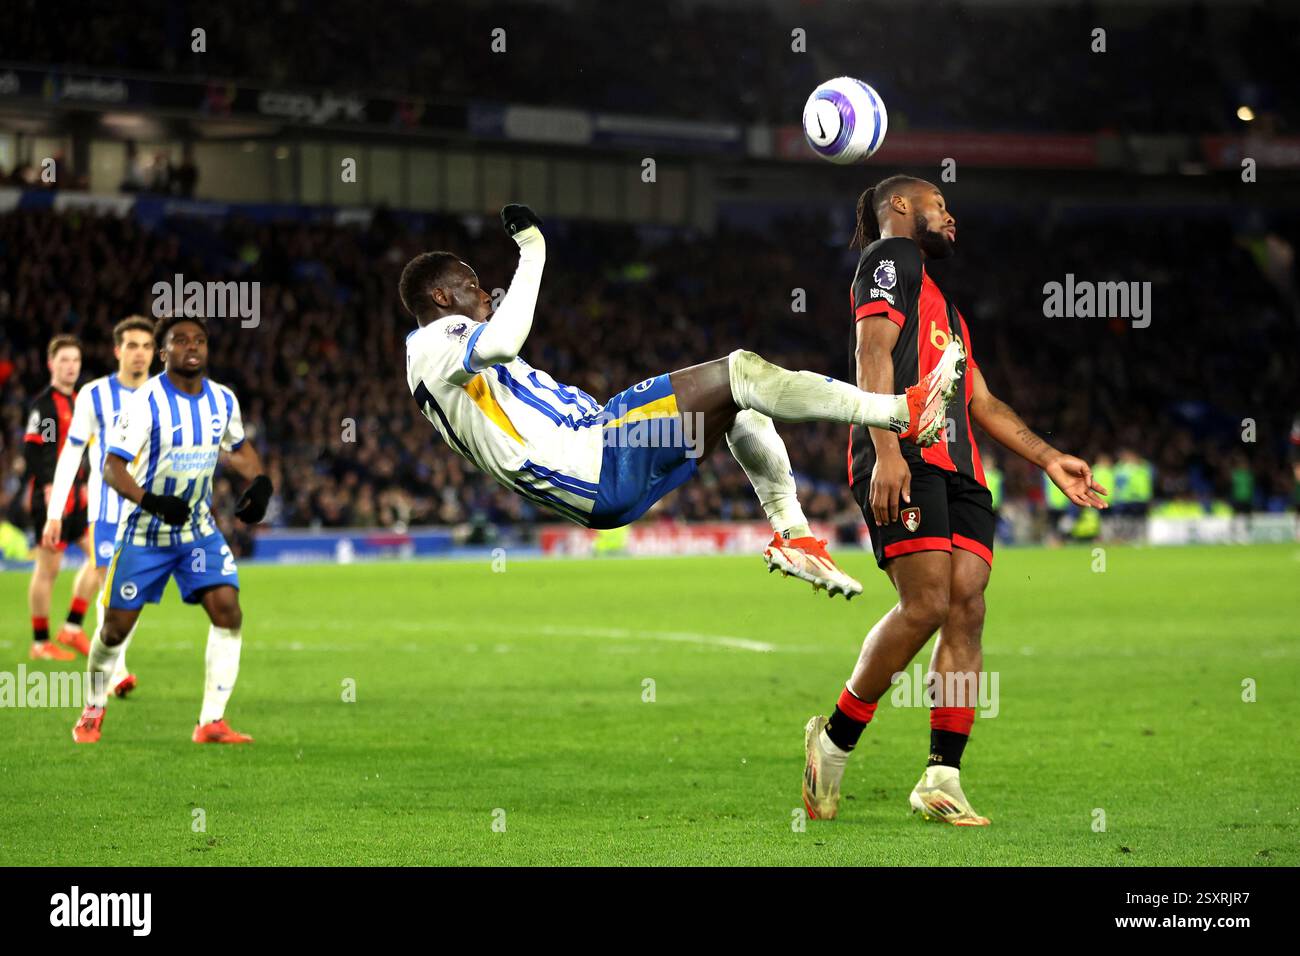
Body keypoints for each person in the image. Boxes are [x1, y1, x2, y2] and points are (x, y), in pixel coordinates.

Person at [401, 203, 967, 600]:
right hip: (595, 456)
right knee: (741, 371)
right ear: (441, 296)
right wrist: (534, 248)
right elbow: (504, 339)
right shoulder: (435, 343)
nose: (483, 293)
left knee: (741, 407)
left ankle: (795, 537)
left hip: (601, 465)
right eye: (472, 285)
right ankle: (900, 411)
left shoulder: (433, 359)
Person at [802, 176, 1108, 825]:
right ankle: (833, 740)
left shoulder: (943, 303)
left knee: (967, 603)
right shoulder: (890, 259)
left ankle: (941, 777)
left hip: (962, 468)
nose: (951, 216)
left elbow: (982, 400)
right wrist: (886, 451)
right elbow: (871, 351)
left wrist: (1050, 458)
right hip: (905, 454)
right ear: (903, 208)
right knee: (929, 602)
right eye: (940, 206)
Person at [71, 315, 273, 744]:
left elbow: (238, 450)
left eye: (199, 339)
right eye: (180, 340)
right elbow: (111, 466)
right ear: (164, 354)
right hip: (144, 534)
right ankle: (92, 707)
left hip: (196, 531)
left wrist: (260, 483)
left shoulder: (222, 400)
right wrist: (152, 501)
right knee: (114, 630)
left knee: (228, 610)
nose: (192, 346)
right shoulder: (146, 400)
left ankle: (211, 722)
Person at [42, 316, 155, 698]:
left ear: (155, 352)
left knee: (131, 591)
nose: (139, 354)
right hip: (107, 509)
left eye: (146, 346)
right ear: (117, 350)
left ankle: (106, 659)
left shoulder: (164, 393)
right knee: (110, 582)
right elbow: (72, 452)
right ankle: (115, 671)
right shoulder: (94, 394)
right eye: (132, 346)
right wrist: (55, 511)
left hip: (149, 510)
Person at [23, 335, 96, 661]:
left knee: (102, 558)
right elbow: (38, 449)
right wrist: (52, 485)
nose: (71, 366)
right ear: (52, 364)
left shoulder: (81, 402)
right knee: (47, 570)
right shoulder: (47, 406)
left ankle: (72, 627)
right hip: (52, 499)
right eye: (64, 360)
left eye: (75, 361)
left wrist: (83, 483)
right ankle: (40, 643)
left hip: (78, 497)